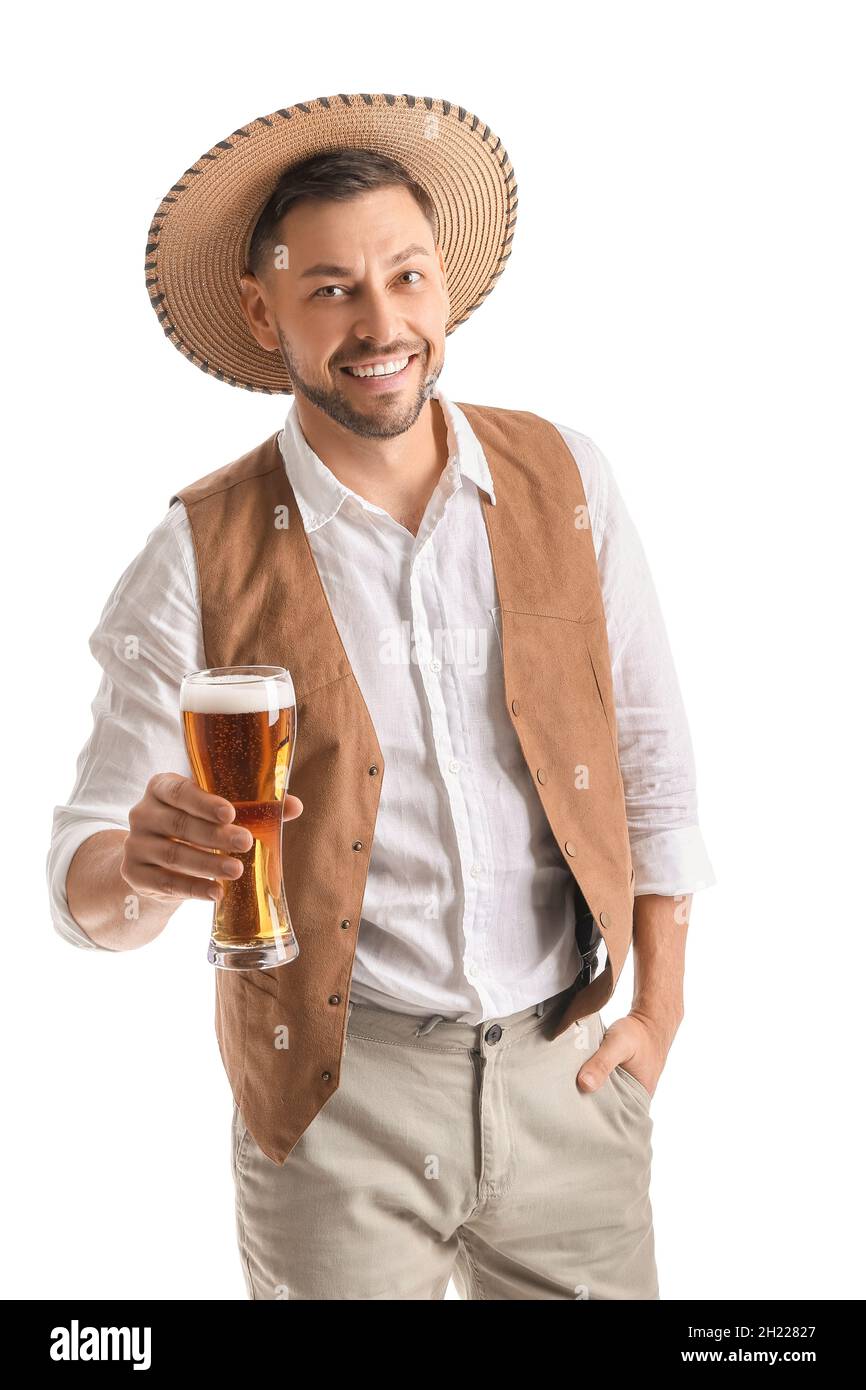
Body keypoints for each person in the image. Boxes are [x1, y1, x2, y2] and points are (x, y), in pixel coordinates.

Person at [47, 92, 716, 1300]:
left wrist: (655, 1016)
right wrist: (139, 869)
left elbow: (652, 758)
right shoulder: (195, 551)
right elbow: (82, 881)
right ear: (263, 312)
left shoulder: (566, 478)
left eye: (404, 276)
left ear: (443, 286)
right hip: (334, 1102)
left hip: (567, 1079)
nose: (379, 323)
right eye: (330, 289)